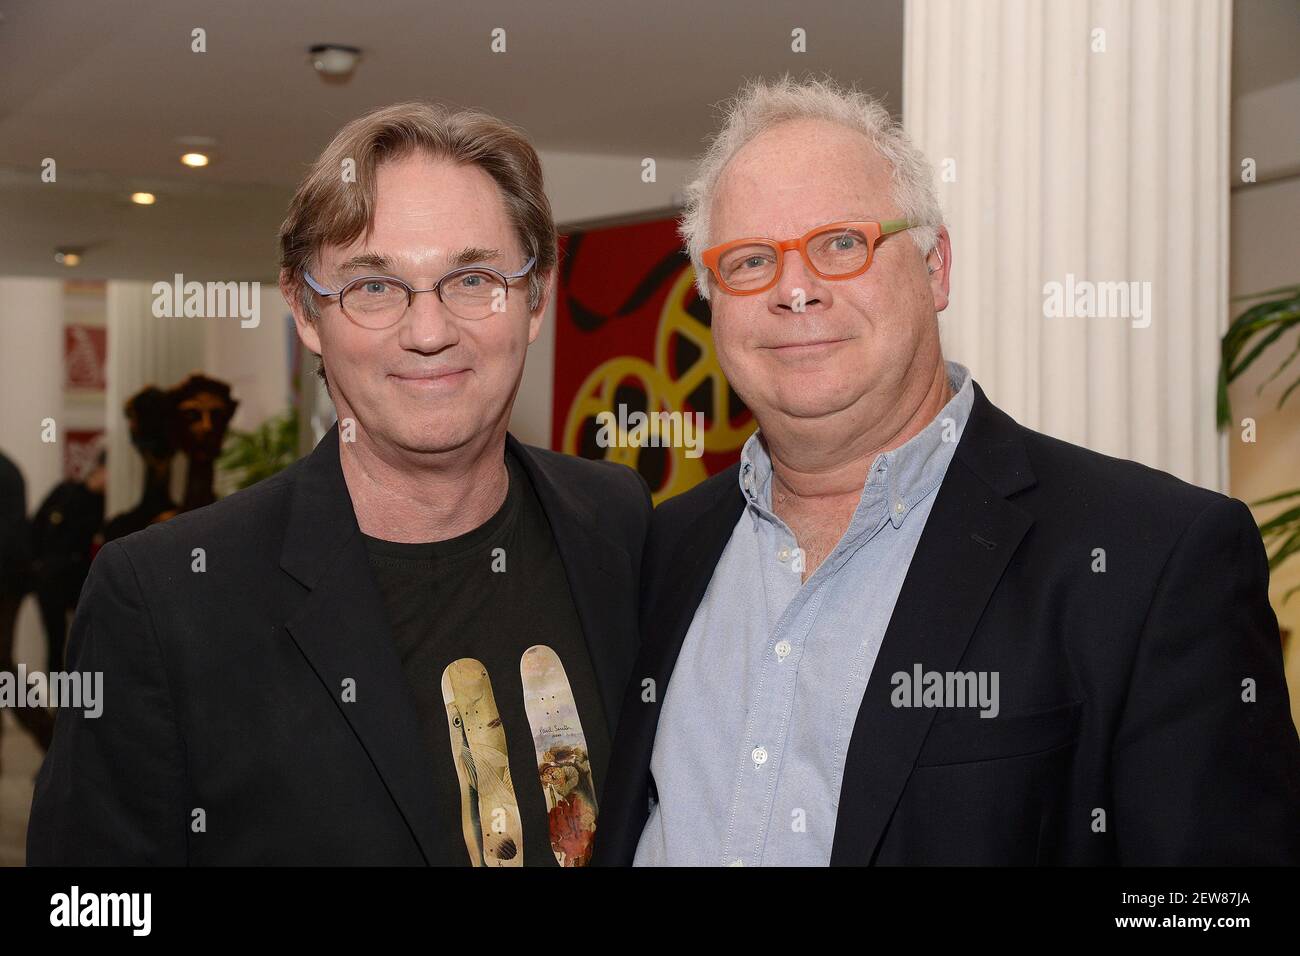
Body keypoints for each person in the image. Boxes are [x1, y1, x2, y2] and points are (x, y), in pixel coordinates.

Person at [594, 77, 1300, 866]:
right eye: (751, 260)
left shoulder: (1151, 560)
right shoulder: (664, 548)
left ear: (936, 268)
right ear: (713, 301)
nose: (795, 290)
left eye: (841, 243)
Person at [28, 102, 650, 865]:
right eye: (374, 287)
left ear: (536, 297)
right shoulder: (166, 602)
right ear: (306, 311)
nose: (428, 332)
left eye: (473, 277)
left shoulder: (620, 526)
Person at [29, 450, 105, 675]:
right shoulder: (66, 492)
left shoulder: (103, 505)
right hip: (50, 581)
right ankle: (59, 706)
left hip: (79, 583)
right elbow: (36, 526)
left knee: (83, 647)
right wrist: (38, 566)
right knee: (55, 646)